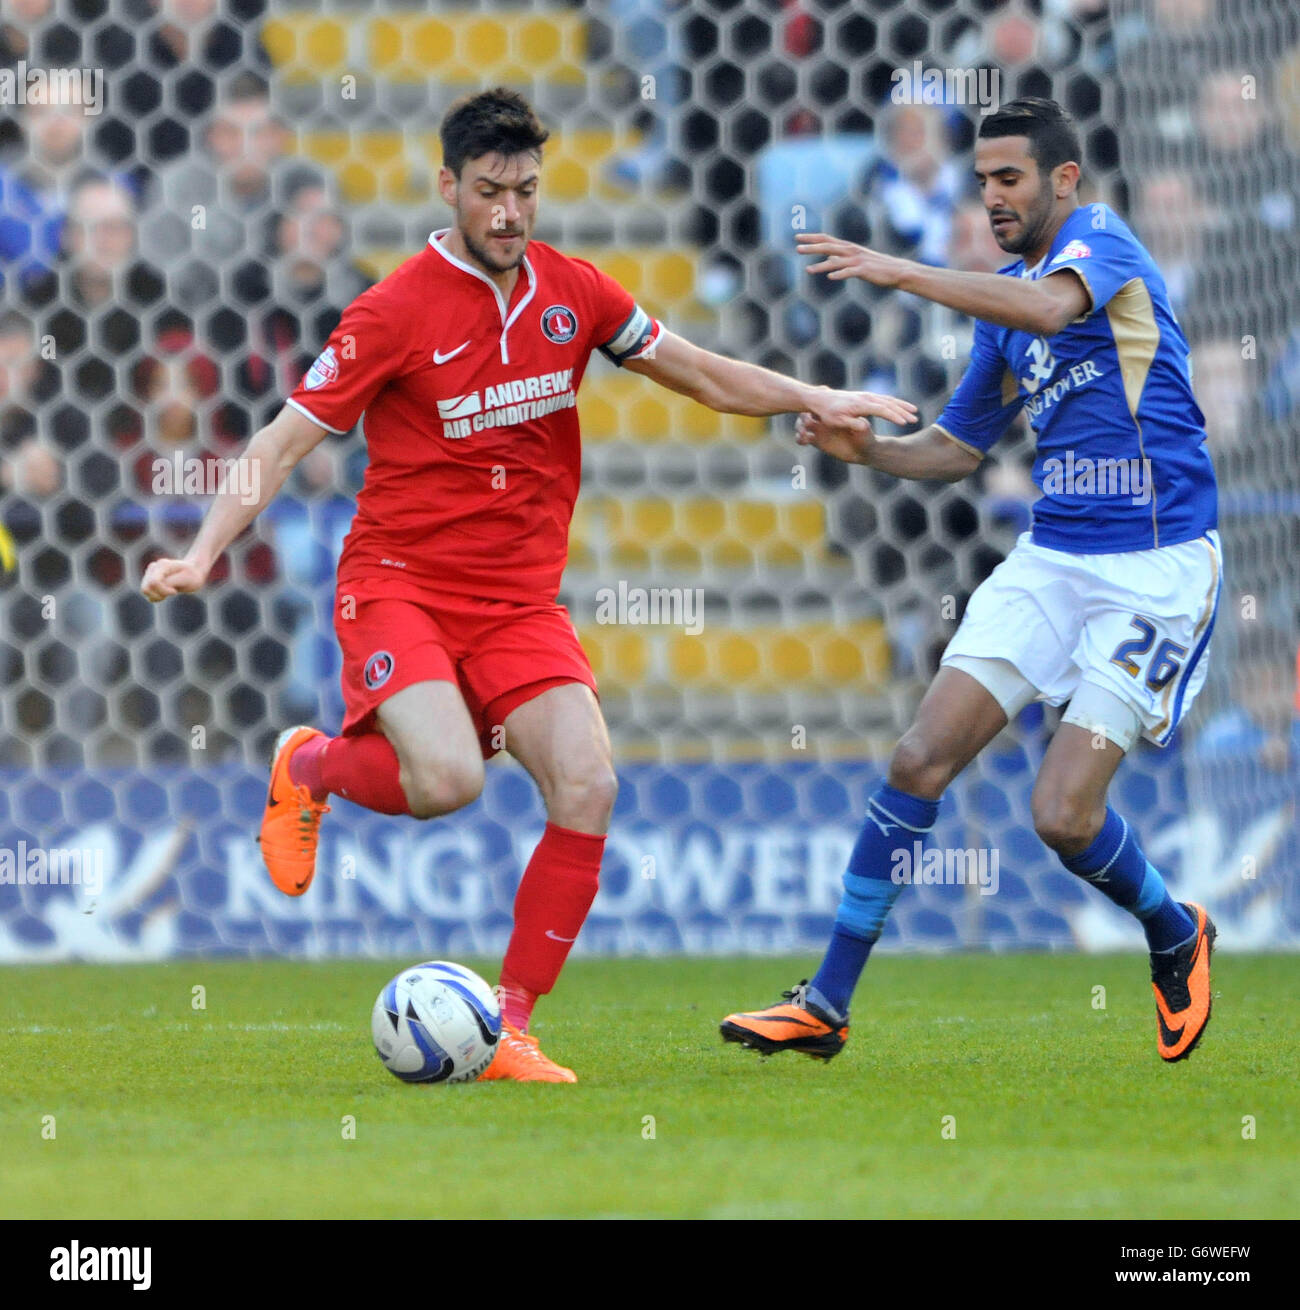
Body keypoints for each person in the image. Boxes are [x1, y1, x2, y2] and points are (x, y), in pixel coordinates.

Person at [140, 87, 916, 1083]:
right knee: (449, 782)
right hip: (400, 584)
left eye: (527, 191)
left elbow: (700, 373)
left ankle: (508, 1025)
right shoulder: (393, 310)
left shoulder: (573, 291)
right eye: (491, 192)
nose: (510, 213)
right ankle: (312, 768)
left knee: (589, 782)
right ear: (448, 188)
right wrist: (204, 550)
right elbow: (286, 440)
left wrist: (814, 395)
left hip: (517, 601)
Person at [721, 98, 1221, 1065]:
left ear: (1063, 180)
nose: (989, 196)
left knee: (1060, 816)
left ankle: (1173, 930)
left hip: (1155, 565)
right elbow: (955, 449)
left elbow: (1045, 307)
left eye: (1009, 179)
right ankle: (824, 1004)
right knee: (917, 759)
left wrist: (898, 269)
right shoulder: (1004, 306)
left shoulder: (1099, 243)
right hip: (1054, 558)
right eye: (981, 179)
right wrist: (868, 452)